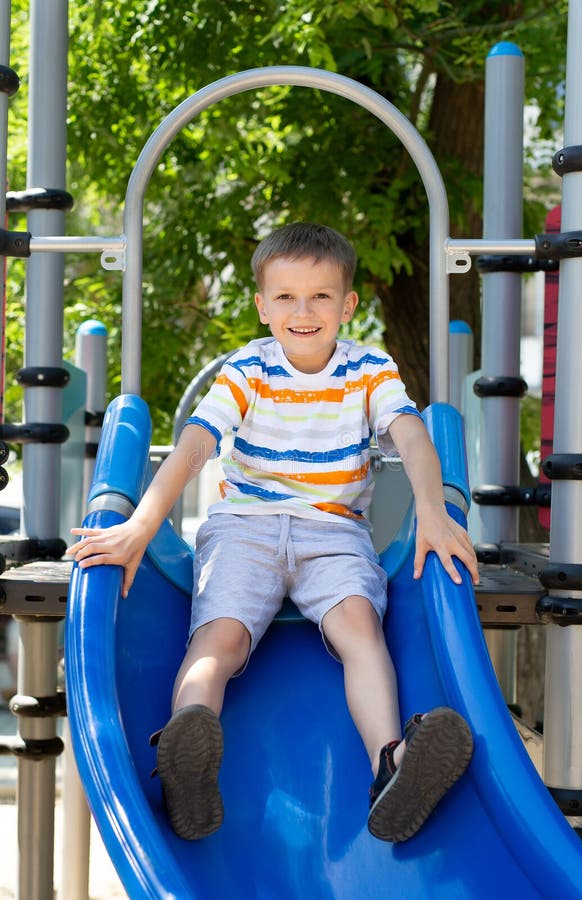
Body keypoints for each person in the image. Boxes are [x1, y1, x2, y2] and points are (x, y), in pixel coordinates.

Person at [67, 222, 479, 844]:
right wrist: (138, 528)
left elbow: (413, 434)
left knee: (360, 631)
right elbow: (195, 447)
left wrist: (432, 510)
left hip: (333, 533)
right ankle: (187, 749)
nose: (303, 311)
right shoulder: (249, 367)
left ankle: (389, 764)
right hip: (244, 529)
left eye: (320, 296)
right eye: (286, 296)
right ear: (262, 306)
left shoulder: (369, 367)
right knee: (220, 641)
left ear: (347, 305)